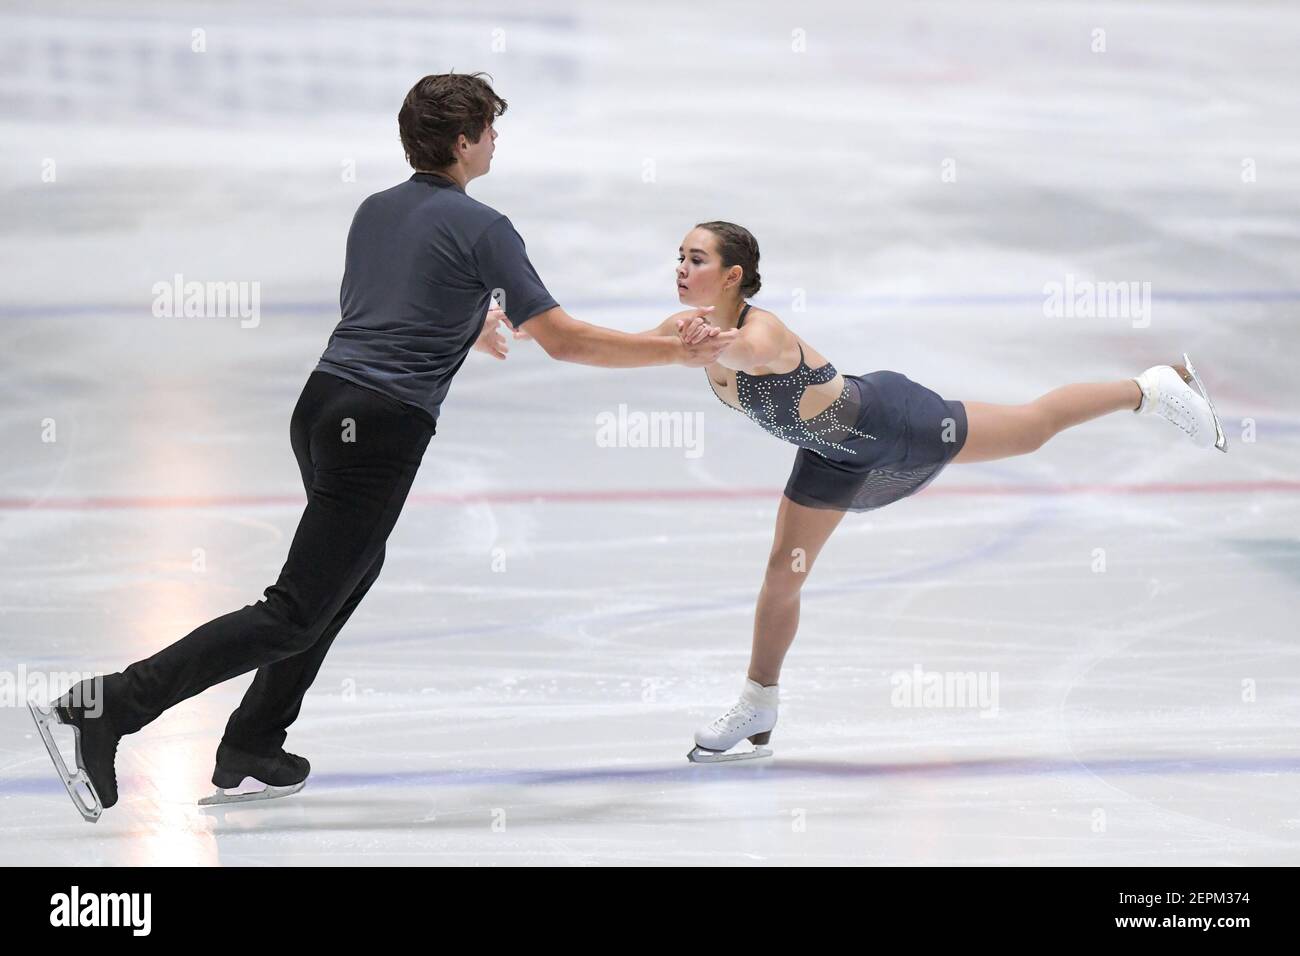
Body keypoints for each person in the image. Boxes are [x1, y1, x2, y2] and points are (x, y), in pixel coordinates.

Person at [29, 72, 737, 821]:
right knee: (295, 609)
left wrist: (469, 324)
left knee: (348, 572)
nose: (497, 140)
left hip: (322, 405)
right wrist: (675, 356)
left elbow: (387, 303)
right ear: (464, 143)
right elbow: (560, 339)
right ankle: (103, 706)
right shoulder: (486, 227)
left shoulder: (375, 210)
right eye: (490, 129)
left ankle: (253, 742)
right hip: (380, 426)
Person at [656, 221, 1227, 762]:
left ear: (732, 275)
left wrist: (696, 345)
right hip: (831, 454)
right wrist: (567, 332)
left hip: (890, 420)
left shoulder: (761, 332)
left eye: (696, 259)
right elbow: (617, 347)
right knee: (783, 574)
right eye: (680, 257)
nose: (682, 267)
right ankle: (758, 703)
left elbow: (747, 356)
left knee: (1029, 428)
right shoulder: (686, 333)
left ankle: (1149, 388)